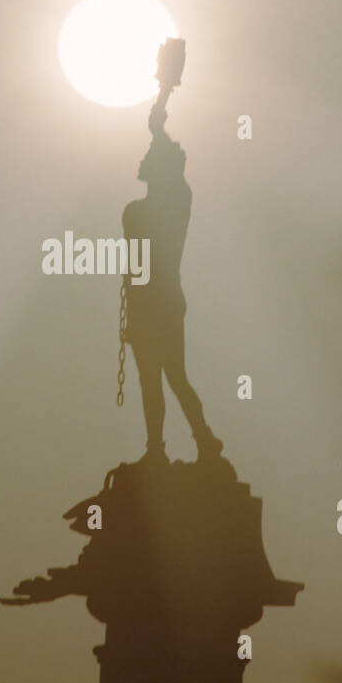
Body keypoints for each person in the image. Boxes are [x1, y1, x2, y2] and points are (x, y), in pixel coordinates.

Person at [121, 41, 223, 463]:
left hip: (160, 301)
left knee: (174, 377)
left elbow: (155, 127)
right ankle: (157, 449)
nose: (145, 156)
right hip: (150, 301)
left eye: (153, 156)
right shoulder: (140, 210)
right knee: (153, 380)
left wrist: (166, 87)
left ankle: (204, 442)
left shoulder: (175, 201)